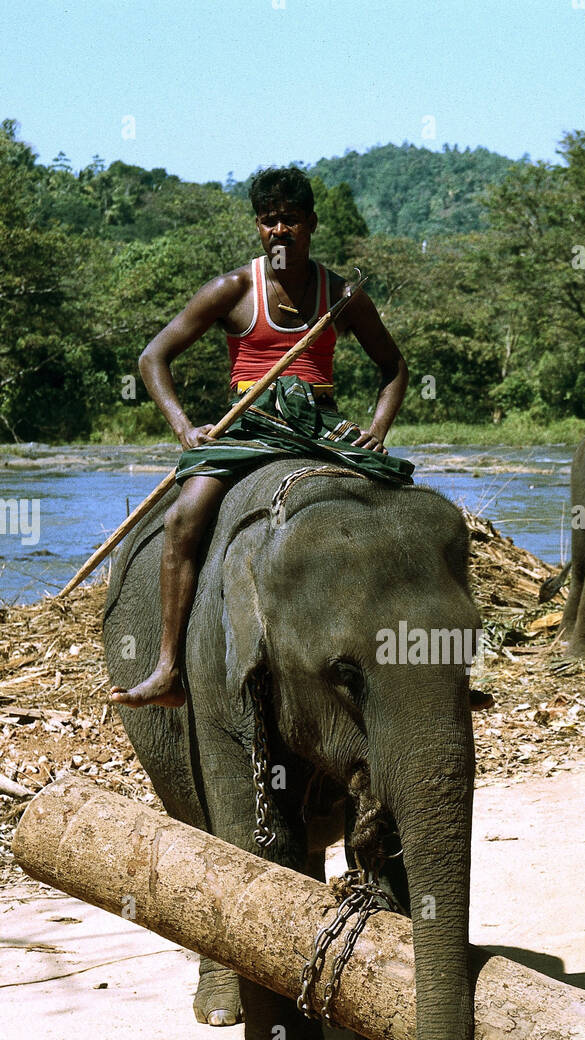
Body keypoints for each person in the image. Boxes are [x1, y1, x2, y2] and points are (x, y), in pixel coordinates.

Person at [109, 165, 409, 709]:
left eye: (290, 220)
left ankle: (429, 672)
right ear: (257, 226)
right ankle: (168, 668)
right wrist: (184, 427)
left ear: (311, 223)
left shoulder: (342, 296)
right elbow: (153, 357)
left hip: (320, 425)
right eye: (269, 221)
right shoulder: (234, 289)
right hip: (249, 424)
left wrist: (376, 431)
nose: (279, 231)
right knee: (185, 516)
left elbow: (393, 367)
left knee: (407, 509)